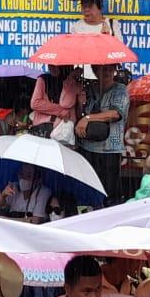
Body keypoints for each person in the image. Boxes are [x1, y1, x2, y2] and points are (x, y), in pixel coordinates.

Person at [77, 64, 129, 205]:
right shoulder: (89, 89)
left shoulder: (120, 90)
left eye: (109, 68)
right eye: (101, 68)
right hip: (87, 147)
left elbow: (115, 114)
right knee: (89, 189)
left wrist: (87, 119)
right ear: (95, 70)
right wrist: (79, 102)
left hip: (110, 149)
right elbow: (80, 115)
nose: (106, 71)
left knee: (110, 193)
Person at [30, 65, 80, 140]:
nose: (52, 67)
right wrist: (60, 110)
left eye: (56, 66)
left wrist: (70, 79)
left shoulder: (72, 81)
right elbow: (35, 103)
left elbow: (67, 103)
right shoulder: (43, 79)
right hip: (45, 127)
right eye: (50, 65)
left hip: (64, 130)